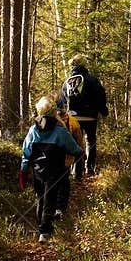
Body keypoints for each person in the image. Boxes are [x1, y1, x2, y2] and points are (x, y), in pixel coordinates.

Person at [19, 96, 83, 243]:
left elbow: (26, 151)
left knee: (41, 198)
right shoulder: (60, 130)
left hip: (38, 172)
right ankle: (45, 231)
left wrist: (24, 171)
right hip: (55, 172)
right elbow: (73, 147)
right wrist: (81, 153)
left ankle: (41, 228)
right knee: (50, 200)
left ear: (39, 111)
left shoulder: (33, 130)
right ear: (54, 112)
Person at [59, 55, 108, 180]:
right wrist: (104, 112)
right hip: (90, 117)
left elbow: (63, 101)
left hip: (73, 118)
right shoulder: (92, 80)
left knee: (75, 143)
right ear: (84, 65)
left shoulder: (67, 82)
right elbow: (100, 97)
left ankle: (76, 172)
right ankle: (89, 169)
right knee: (90, 141)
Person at [55, 98, 86, 215]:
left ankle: (55, 208)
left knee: (56, 183)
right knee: (63, 183)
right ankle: (60, 208)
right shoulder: (72, 121)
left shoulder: (48, 121)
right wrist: (82, 152)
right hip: (65, 160)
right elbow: (79, 139)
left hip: (51, 160)